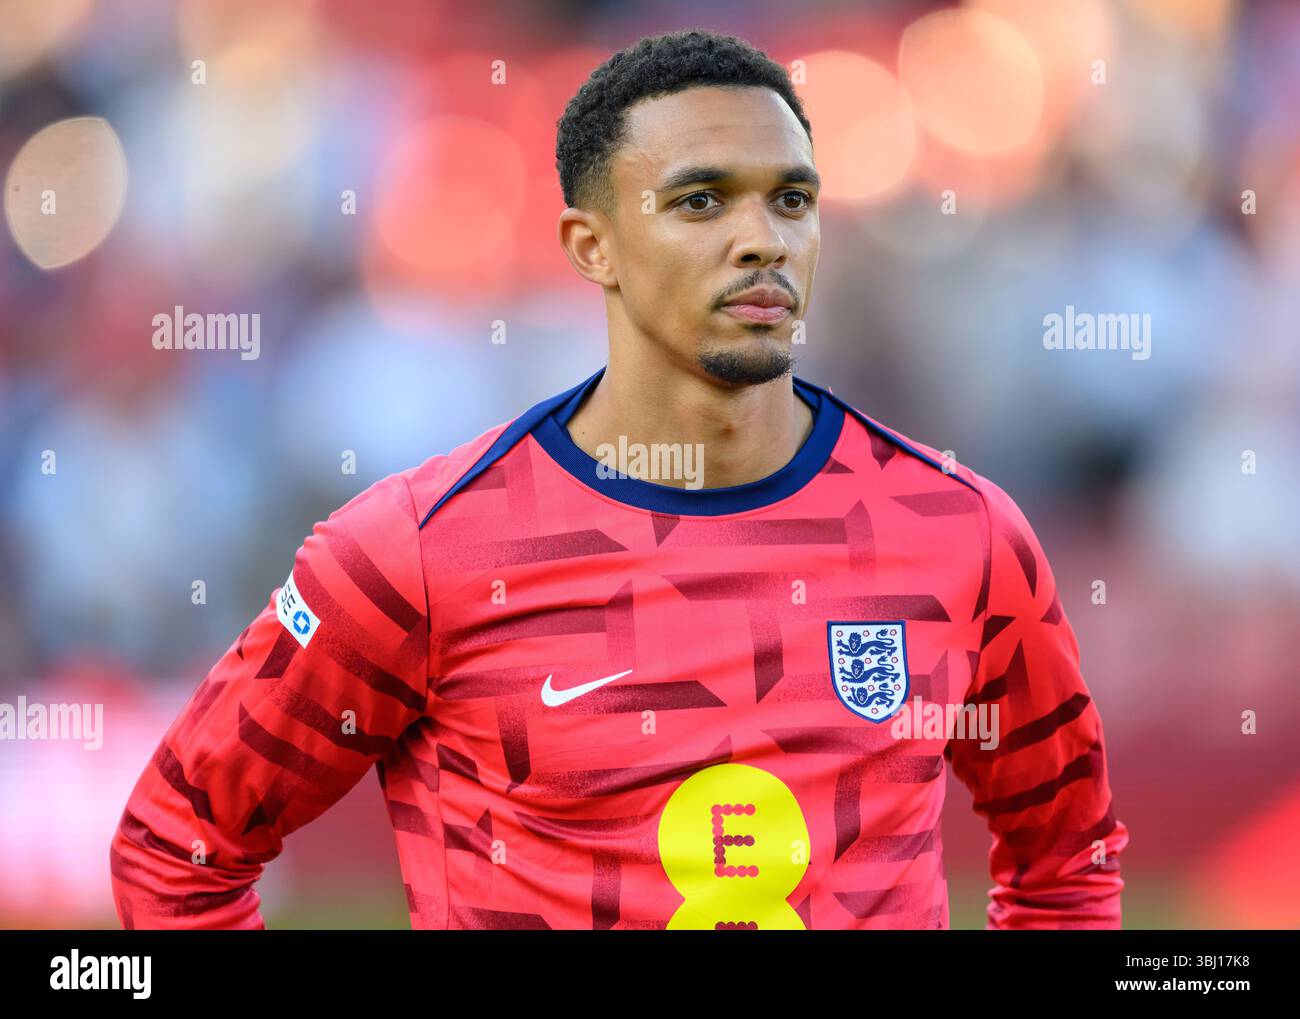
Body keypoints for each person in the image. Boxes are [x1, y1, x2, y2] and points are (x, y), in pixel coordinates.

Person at [110, 29, 1127, 930]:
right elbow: (178, 844)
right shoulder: (417, 552)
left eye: (791, 198)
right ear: (590, 247)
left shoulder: (959, 531)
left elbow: (1066, 861)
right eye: (699, 200)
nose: (761, 237)